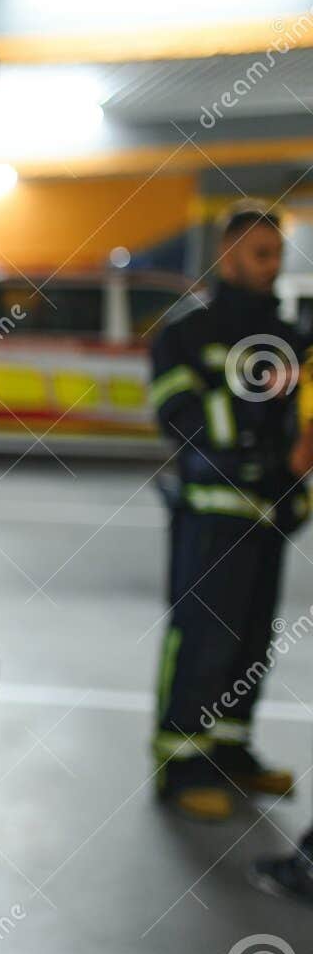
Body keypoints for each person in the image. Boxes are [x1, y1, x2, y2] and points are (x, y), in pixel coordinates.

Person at [149, 202, 313, 821]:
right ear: (227, 254)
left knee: (252, 640)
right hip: (214, 514)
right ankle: (180, 761)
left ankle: (229, 749)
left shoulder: (291, 337)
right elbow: (179, 416)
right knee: (203, 636)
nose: (272, 266)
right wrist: (251, 451)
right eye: (259, 253)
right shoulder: (187, 332)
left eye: (277, 254)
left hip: (274, 513)